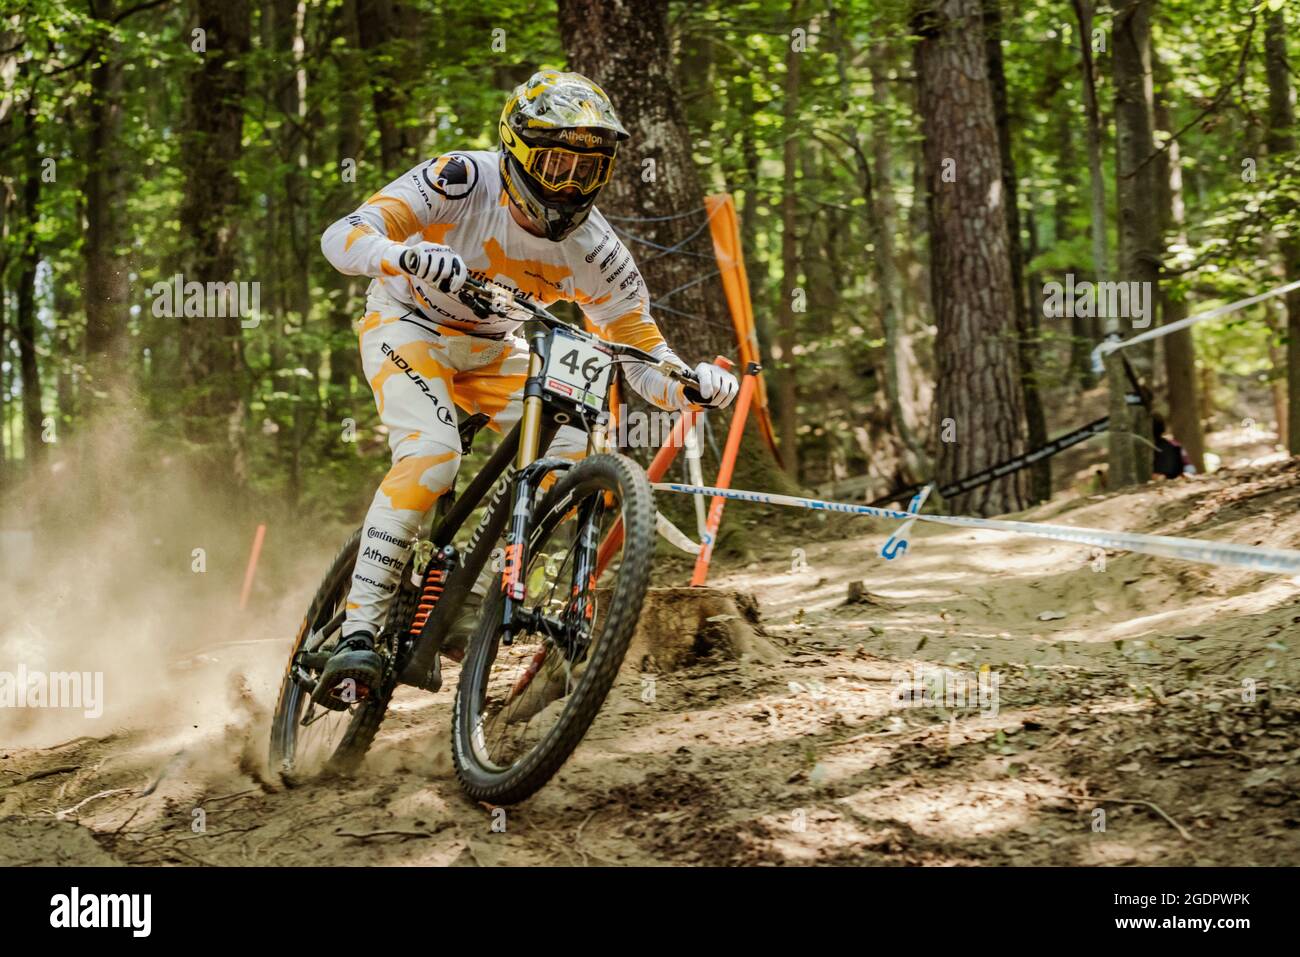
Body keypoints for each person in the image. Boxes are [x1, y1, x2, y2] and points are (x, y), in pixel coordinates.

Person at [314, 70, 739, 707]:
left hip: (494, 350)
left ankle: (477, 586)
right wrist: (400, 256)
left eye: (587, 171)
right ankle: (357, 633)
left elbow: (643, 357)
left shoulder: (597, 250)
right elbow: (342, 235)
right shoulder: (459, 180)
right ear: (515, 150)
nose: (569, 184)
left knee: (571, 435)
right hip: (407, 323)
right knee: (432, 456)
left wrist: (691, 387)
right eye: (555, 163)